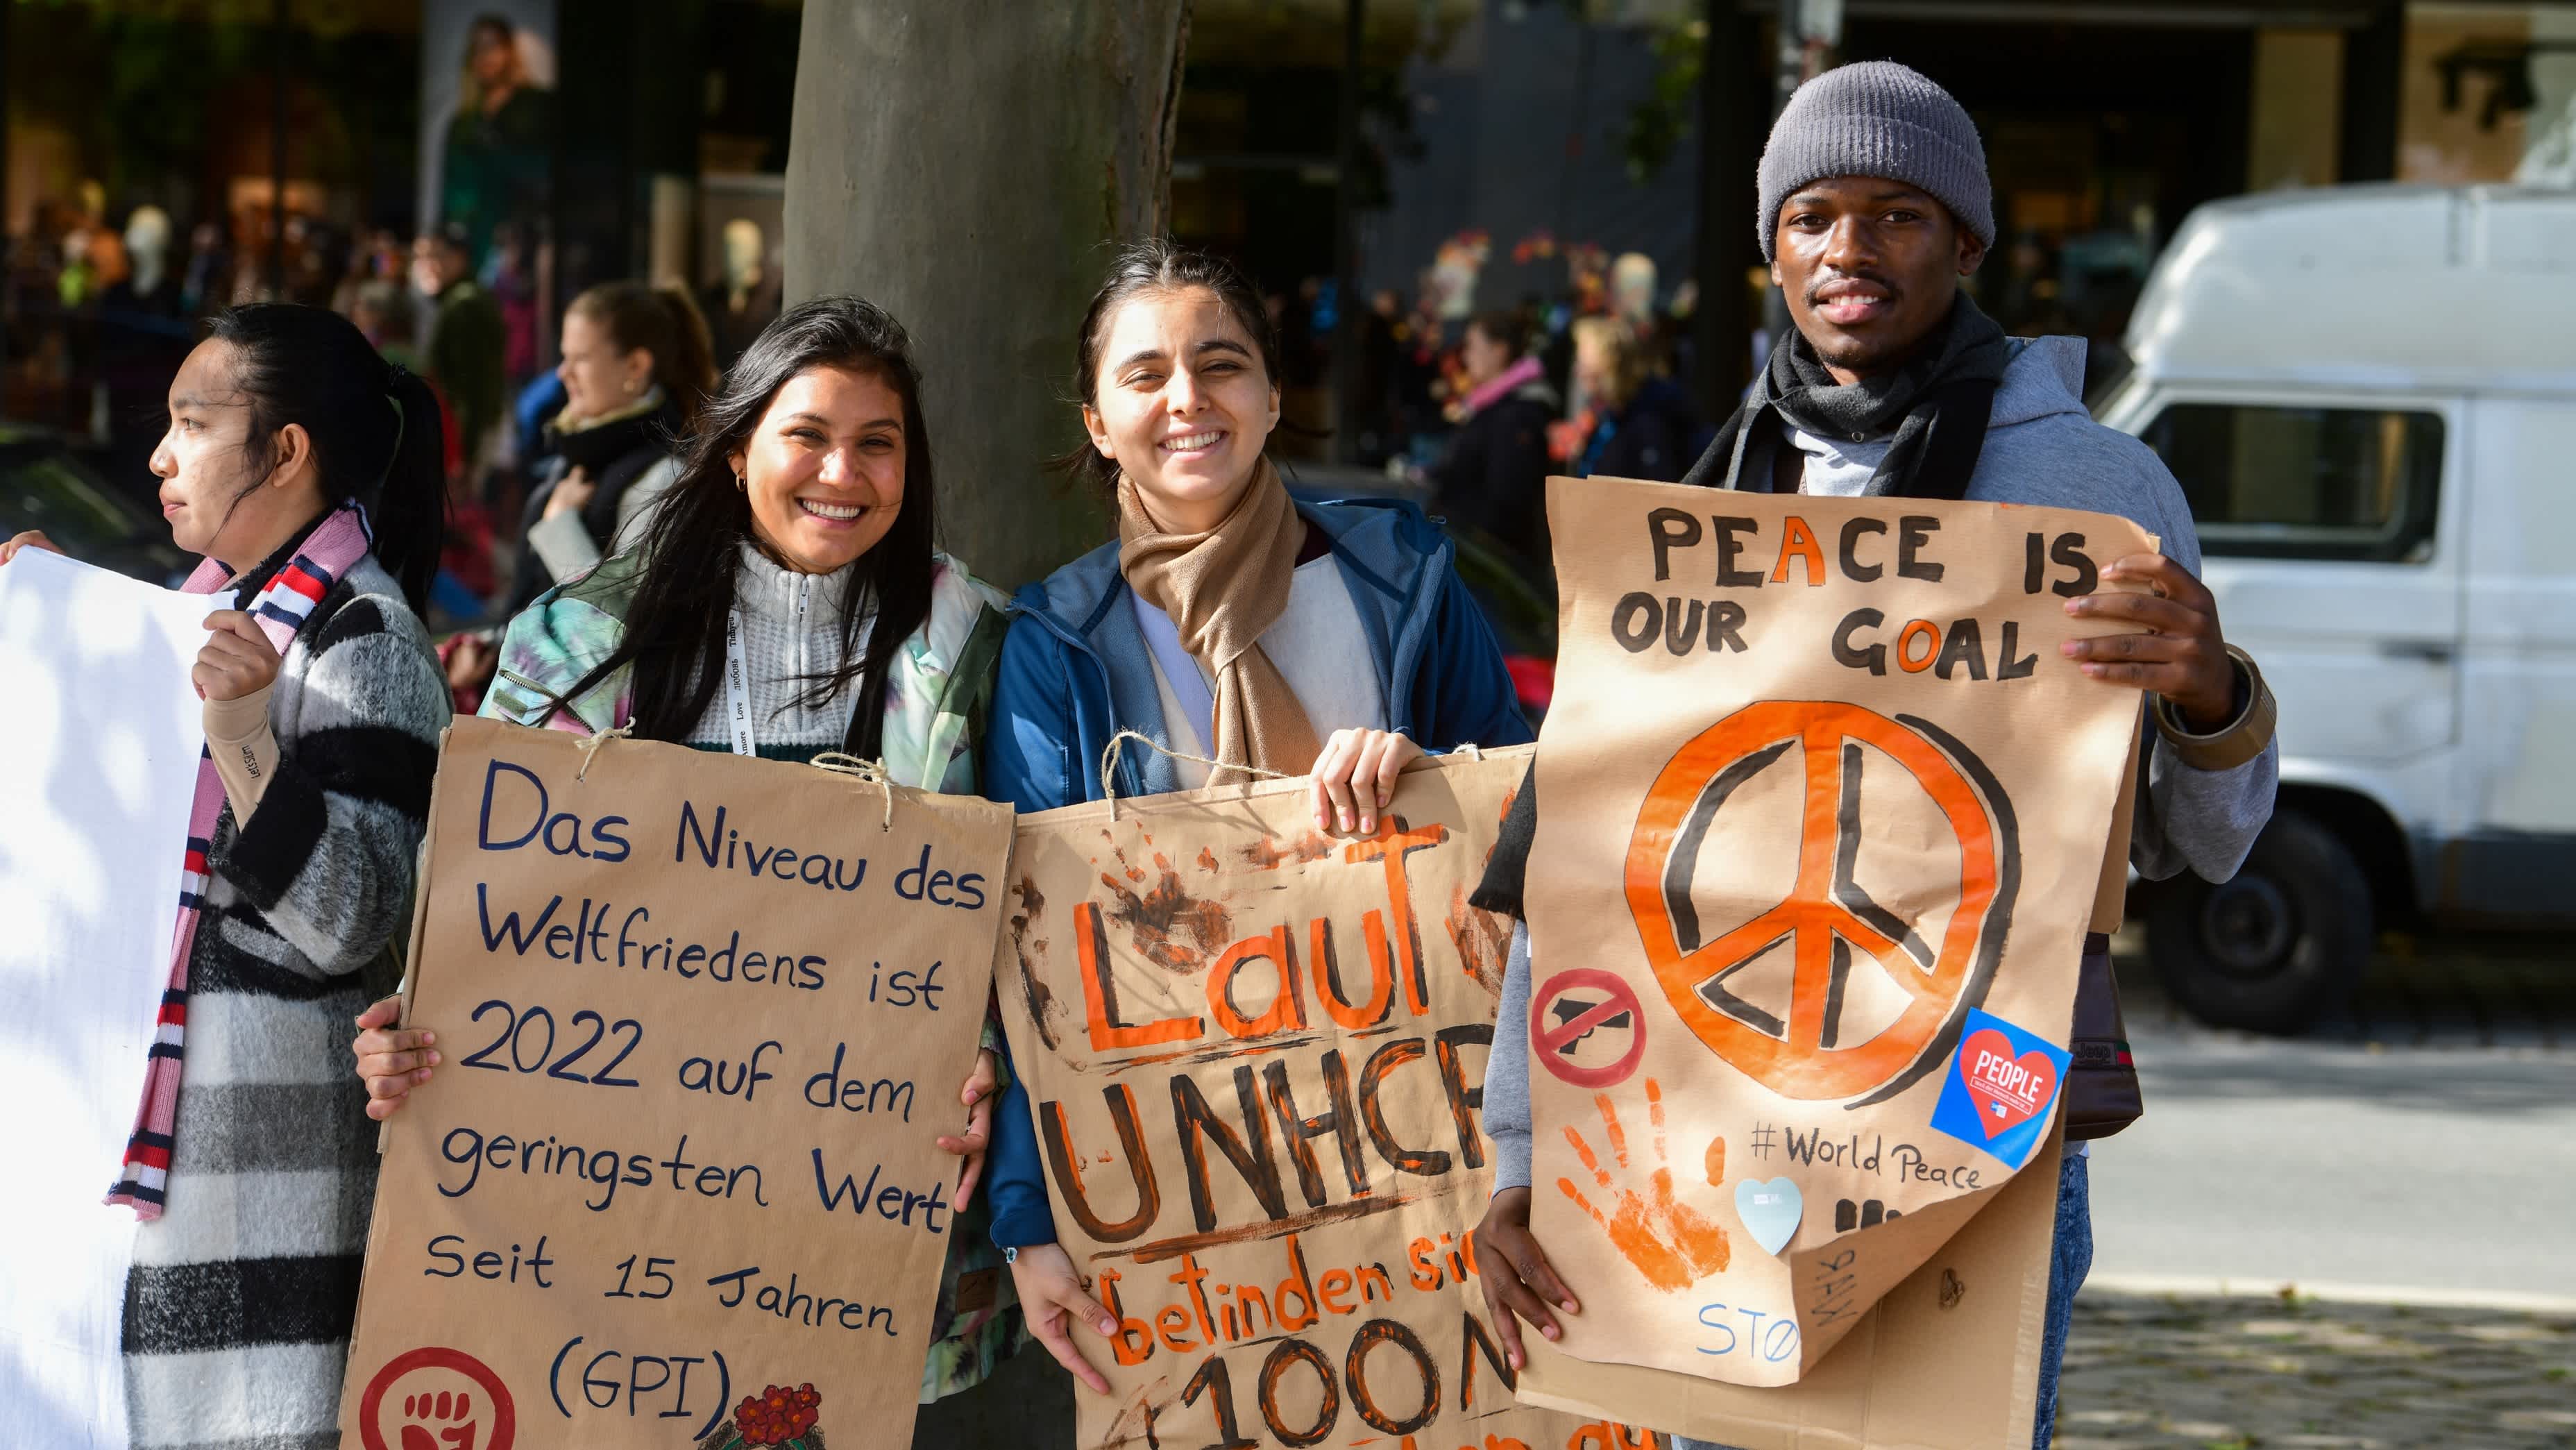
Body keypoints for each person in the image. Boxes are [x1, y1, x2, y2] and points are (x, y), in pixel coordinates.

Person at [1468, 62, 2278, 1450]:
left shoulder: (2095, 495)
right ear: (1771, 250)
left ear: (1964, 243)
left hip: (1978, 1145)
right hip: (1707, 1129)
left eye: (1897, 214)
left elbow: (2193, 841)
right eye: (1813, 216)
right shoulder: (1700, 505)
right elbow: (1592, 854)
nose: (1849, 249)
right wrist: (1523, 1149)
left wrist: (2214, 696)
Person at [348, 296, 1026, 1419]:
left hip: (859, 1229)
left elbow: (1026, 911)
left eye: (878, 442)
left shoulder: (980, 655)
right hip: (613, 1232)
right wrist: (418, 1028)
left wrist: (990, 1052)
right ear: (738, 446)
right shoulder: (580, 645)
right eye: (807, 434)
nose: (842, 472)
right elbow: (478, 915)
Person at [977, 239, 1534, 1393]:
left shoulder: (1404, 583)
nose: (1187, 397)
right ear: (1097, 423)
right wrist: (1030, 1219)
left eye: (1221, 363)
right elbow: (1029, 966)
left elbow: (1526, 841)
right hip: (1182, 1175)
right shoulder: (1055, 644)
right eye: (1145, 375)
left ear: (1274, 397)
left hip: (1417, 1147)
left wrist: (1432, 774)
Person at [3, 303, 450, 1448]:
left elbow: (354, 919)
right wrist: (62, 621)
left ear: (286, 449)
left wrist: (247, 738)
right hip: (177, 1181)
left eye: (193, 424)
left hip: (265, 1186)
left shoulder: (367, 638)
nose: (161, 455)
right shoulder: (217, 610)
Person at [505, 281, 718, 614]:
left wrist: (561, 526)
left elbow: (628, 623)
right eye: (565, 357)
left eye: (581, 359)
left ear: (635, 367)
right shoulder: (576, 462)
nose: (563, 373)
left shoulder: (665, 479)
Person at [1425, 307, 1558, 560]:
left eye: (1473, 347)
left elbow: (1506, 503)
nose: (1466, 356)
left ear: (1500, 350)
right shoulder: (1488, 405)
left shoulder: (1518, 413)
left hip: (1489, 560)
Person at [416, 224, 506, 498]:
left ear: (459, 258)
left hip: (463, 441)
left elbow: (470, 388)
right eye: (420, 257)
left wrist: (463, 456)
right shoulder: (461, 300)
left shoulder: (464, 305)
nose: (424, 266)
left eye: (434, 256)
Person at [1566, 314, 1695, 482]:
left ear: (1609, 367)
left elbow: (1656, 486)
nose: (1577, 371)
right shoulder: (1609, 415)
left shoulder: (1650, 419)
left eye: (1583, 363)